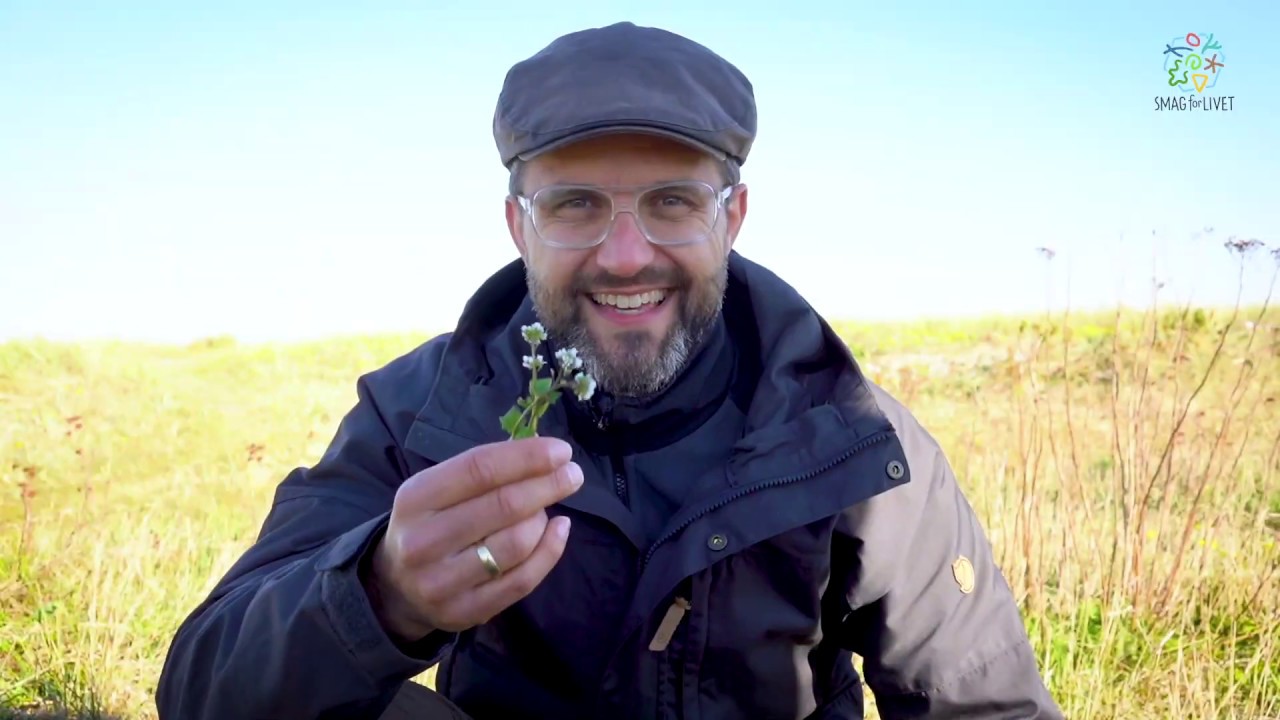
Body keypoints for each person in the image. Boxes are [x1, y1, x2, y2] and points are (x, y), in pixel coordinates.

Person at [155, 21, 1063, 720]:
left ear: (732, 216)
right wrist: (380, 594)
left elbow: (986, 703)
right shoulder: (419, 416)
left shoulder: (850, 438)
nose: (625, 256)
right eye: (575, 204)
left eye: (673, 202)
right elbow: (202, 684)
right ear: (519, 226)